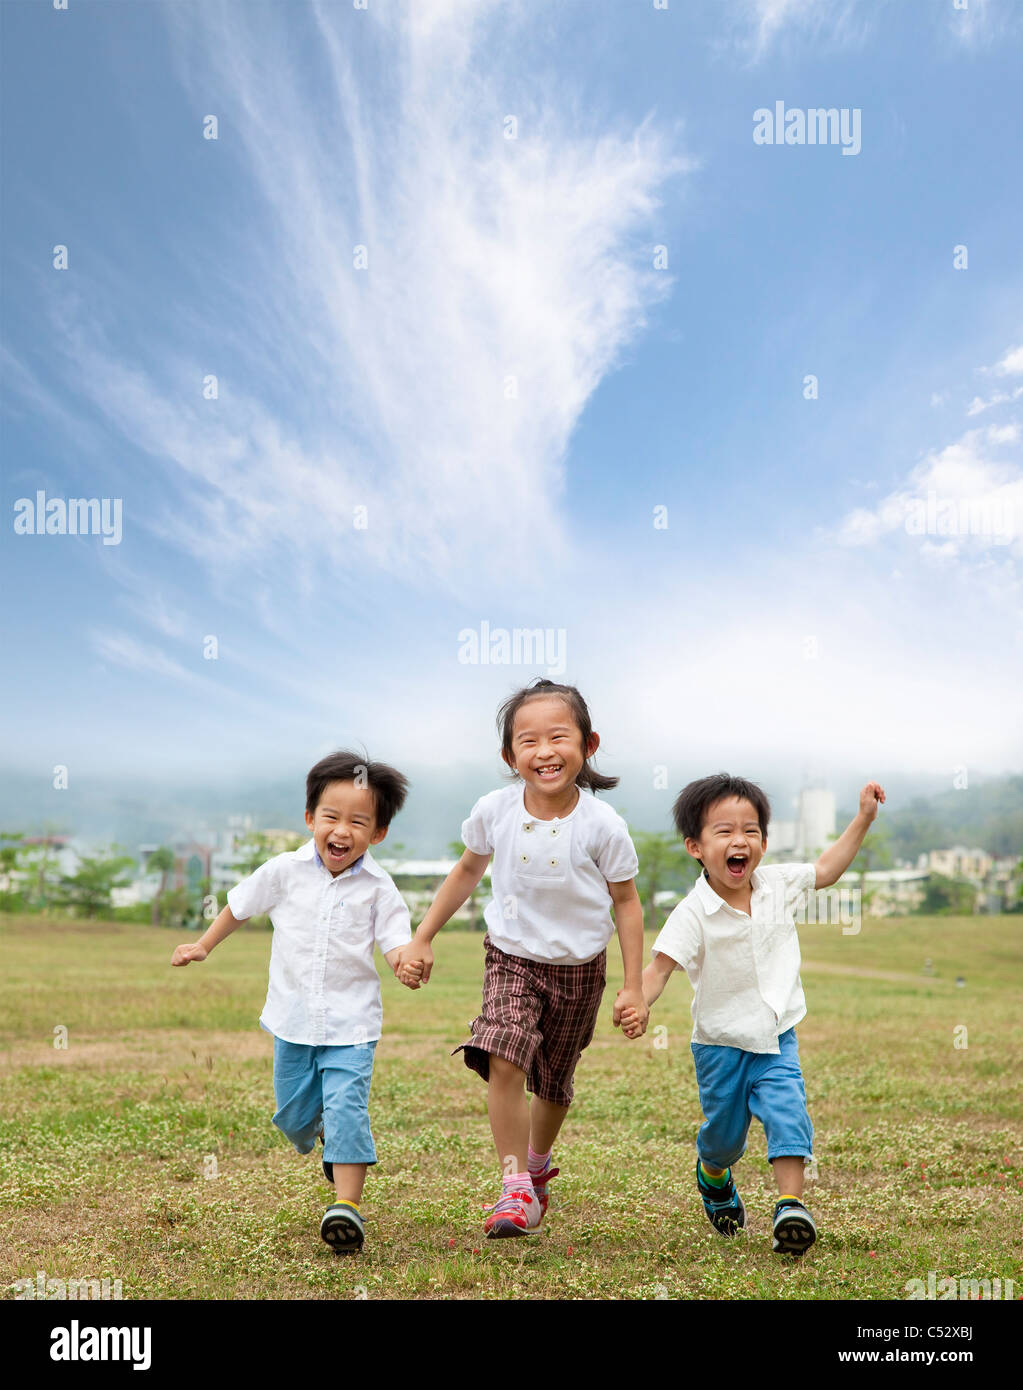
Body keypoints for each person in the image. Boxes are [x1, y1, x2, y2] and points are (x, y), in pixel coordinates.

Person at [397, 678, 648, 1238]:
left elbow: (626, 903)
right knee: (503, 1053)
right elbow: (466, 871)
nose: (544, 751)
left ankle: (536, 1166)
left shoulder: (603, 826)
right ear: (511, 757)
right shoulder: (495, 810)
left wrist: (633, 986)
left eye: (559, 736)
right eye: (528, 741)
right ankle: (514, 1189)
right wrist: (423, 936)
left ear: (588, 744)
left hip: (580, 971)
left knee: (554, 1084)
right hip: (510, 957)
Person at [616, 772, 885, 1256]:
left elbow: (827, 869)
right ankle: (713, 1174)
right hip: (720, 1045)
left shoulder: (778, 885)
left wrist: (863, 818)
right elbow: (661, 968)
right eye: (724, 831)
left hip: (777, 1036)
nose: (740, 840)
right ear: (695, 847)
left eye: (751, 830)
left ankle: (789, 1207)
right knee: (724, 1139)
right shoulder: (692, 912)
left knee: (789, 1115)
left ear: (763, 841)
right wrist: (637, 997)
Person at [171, 751, 415, 1254]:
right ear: (310, 819)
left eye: (358, 821)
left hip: (351, 1025)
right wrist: (203, 945)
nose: (341, 830)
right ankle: (325, 1134)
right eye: (331, 816)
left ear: (378, 833)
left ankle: (345, 1206)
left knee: (348, 1107)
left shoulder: (379, 889)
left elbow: (395, 941)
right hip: (292, 1019)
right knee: (294, 1115)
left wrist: (403, 963)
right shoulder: (284, 871)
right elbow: (238, 906)